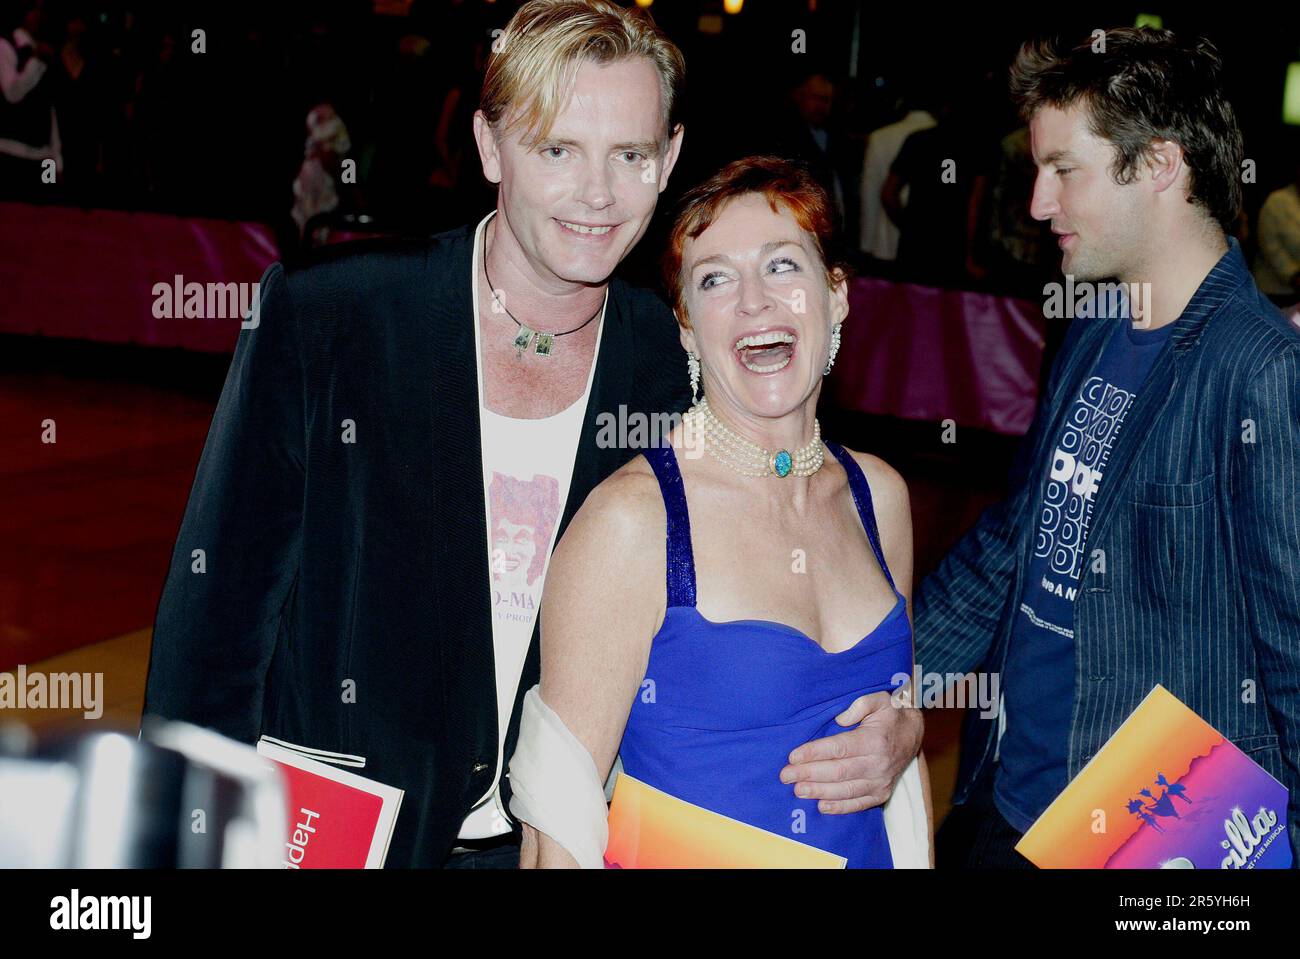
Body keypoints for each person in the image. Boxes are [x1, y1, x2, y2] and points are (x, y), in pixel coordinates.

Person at [143, 0, 921, 869]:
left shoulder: (685, 356)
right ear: (487, 147)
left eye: (629, 155)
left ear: (667, 159)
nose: (597, 194)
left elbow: (811, 531)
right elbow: (209, 639)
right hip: (322, 843)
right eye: (558, 150)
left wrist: (899, 717)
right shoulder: (332, 320)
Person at [914, 27, 1300, 867]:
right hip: (1012, 793)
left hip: (1157, 835)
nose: (1038, 204)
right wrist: (887, 678)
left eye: (1064, 171)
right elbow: (1019, 541)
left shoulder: (1262, 371)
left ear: (1159, 165)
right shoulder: (1093, 326)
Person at [509, 156, 932, 869]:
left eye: (782, 267)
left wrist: (910, 730)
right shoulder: (633, 522)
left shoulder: (878, 495)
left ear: (837, 295)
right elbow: (556, 834)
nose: (754, 302)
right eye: (715, 279)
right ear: (685, 328)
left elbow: (895, 716)